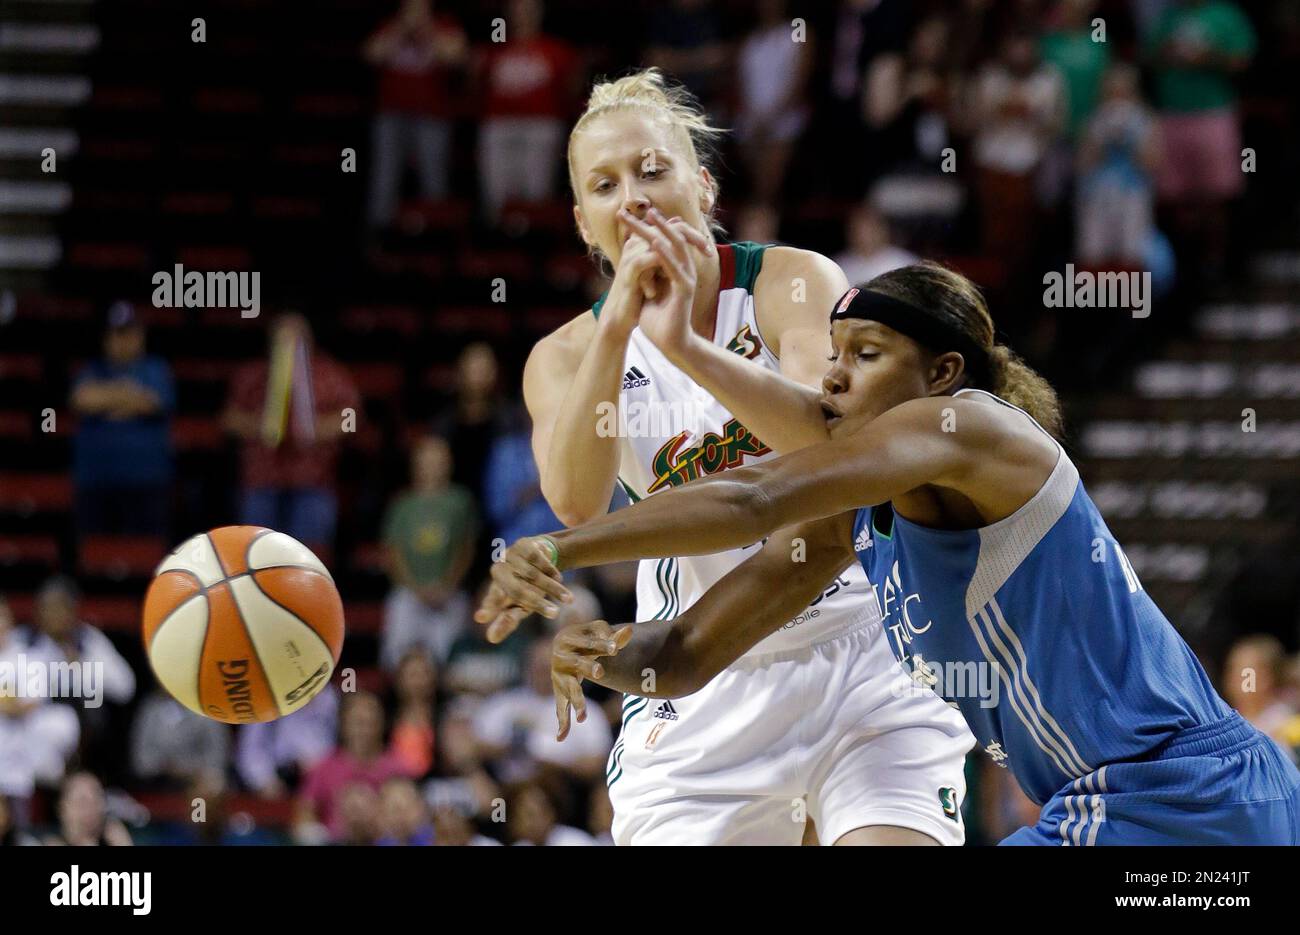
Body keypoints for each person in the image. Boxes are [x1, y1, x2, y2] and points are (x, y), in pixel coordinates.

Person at [482, 260, 1300, 845]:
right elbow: (692, 650)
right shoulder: (865, 521)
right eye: (833, 353)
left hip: (1182, 795)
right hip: (1120, 804)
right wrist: (608, 655)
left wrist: (559, 544)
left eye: (865, 355)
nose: (832, 379)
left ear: (942, 372)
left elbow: (753, 496)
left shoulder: (973, 427)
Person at [505, 68, 972, 846]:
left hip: (859, 645)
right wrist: (621, 325)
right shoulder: (563, 356)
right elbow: (576, 504)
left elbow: (833, 448)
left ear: (704, 186)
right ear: (585, 224)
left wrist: (687, 348)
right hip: (699, 669)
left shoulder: (792, 281)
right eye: (606, 185)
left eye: (653, 170)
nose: (635, 198)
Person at [222, 313, 359, 554]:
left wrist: (321, 428)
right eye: (282, 340)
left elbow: (353, 419)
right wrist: (258, 426)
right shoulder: (253, 375)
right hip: (262, 479)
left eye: (297, 339)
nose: (290, 346)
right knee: (258, 553)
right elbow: (229, 420)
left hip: (313, 479)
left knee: (309, 555)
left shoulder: (330, 375)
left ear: (310, 341)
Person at [70, 302, 175, 538]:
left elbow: (151, 403)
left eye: (128, 333)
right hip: (96, 481)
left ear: (140, 335)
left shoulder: (156, 369)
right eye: (116, 334)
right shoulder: (91, 369)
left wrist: (106, 400)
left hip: (146, 481)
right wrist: (129, 394)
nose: (122, 341)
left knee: (146, 552)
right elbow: (81, 400)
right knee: (95, 552)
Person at [364, 0, 468, 229]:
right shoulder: (390, 26)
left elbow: (455, 56)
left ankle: (435, 231)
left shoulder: (444, 25)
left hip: (432, 116)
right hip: (390, 116)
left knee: (433, 177)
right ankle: (379, 234)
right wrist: (402, 29)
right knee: (384, 176)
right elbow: (372, 54)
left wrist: (425, 29)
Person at [475, 0, 580, 221]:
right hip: (499, 124)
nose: (522, 16)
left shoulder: (554, 49)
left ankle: (534, 234)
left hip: (541, 126)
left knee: (536, 193)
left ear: (539, 14)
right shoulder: (498, 44)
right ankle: (496, 236)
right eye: (517, 10)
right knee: (495, 195)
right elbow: (476, 80)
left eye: (528, 10)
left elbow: (572, 90)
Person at [379, 434, 477, 670]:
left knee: (450, 655)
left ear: (449, 463)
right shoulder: (403, 504)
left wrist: (447, 585)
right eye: (428, 460)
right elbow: (392, 553)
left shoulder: (460, 501)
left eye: (439, 460)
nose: (433, 466)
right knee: (397, 645)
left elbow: (466, 548)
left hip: (449, 592)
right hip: (409, 592)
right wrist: (416, 588)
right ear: (416, 464)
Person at [43, 771, 132, 846]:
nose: (91, 808)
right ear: (61, 808)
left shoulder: (115, 838)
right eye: (82, 801)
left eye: (97, 799)